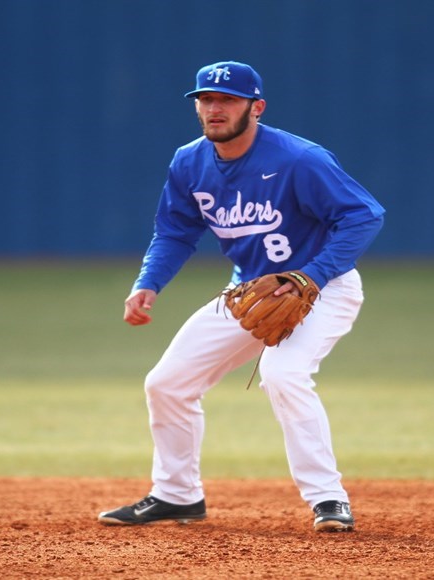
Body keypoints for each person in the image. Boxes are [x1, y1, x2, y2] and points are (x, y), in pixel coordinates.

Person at [98, 61, 385, 532]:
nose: (214, 108)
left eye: (227, 100)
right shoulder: (189, 161)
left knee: (283, 373)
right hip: (249, 291)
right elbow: (175, 231)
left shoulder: (299, 159)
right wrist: (147, 283)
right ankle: (177, 495)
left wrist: (310, 275)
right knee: (167, 383)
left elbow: (364, 216)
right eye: (206, 100)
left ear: (257, 107)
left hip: (324, 287)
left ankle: (328, 499)